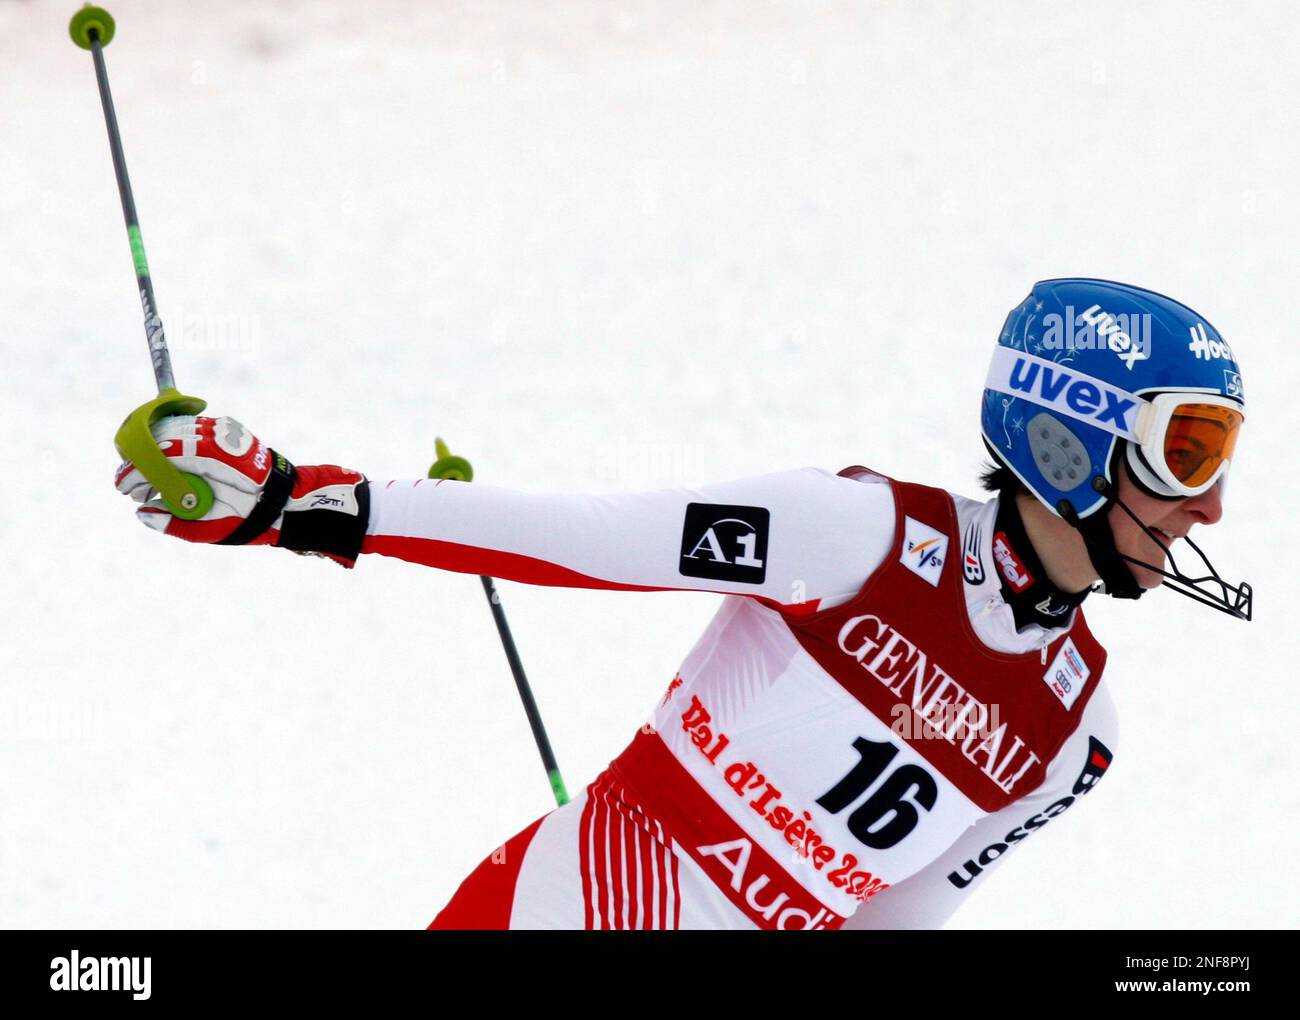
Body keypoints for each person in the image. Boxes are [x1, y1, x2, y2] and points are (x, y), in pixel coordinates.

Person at [115, 278, 1249, 929]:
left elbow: (894, 922)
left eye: (1219, 458)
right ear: (1071, 435)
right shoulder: (858, 535)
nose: (1207, 507)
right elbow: (584, 539)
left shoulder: (1076, 732)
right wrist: (292, 503)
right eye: (1184, 451)